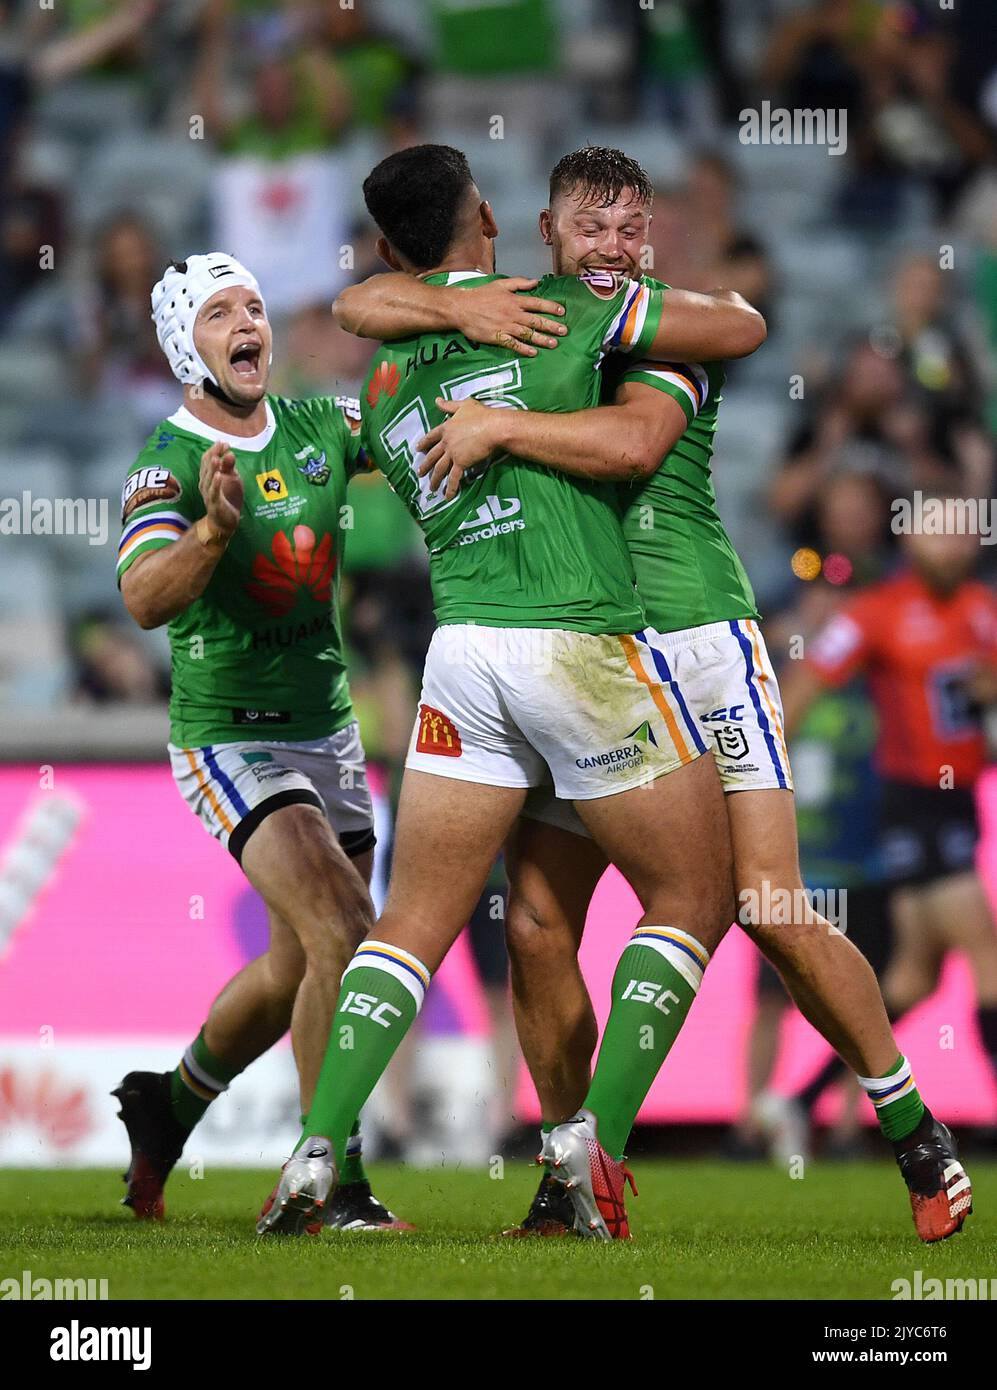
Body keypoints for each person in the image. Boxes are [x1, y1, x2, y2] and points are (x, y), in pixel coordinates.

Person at [382, 146, 973, 1243]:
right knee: (545, 924)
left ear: (645, 237)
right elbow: (367, 300)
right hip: (579, 653)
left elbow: (640, 438)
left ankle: (913, 1129)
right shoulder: (522, 325)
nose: (610, 248)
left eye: (627, 229)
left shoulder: (658, 329)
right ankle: (570, 1174)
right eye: (589, 229)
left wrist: (502, 419)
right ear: (546, 235)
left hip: (697, 639)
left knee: (772, 907)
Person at [257, 141, 766, 1237]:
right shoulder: (558, 309)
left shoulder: (387, 382)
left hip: (462, 654)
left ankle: (315, 1152)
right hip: (574, 642)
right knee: (694, 894)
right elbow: (737, 326)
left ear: (393, 250)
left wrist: (425, 310)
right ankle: (593, 1145)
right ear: (492, 214)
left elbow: (361, 312)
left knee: (416, 922)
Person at [113, 251, 408, 1232]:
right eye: (217, 314)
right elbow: (142, 597)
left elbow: (415, 427)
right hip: (230, 737)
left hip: (327, 731)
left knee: (298, 968)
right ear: (181, 346)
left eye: (253, 307)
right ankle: (335, 1183)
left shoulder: (323, 425)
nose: (247, 325)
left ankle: (173, 1103)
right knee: (342, 929)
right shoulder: (165, 464)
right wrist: (208, 532)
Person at [779, 512, 997, 1145]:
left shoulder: (983, 610)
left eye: (962, 530)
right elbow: (807, 683)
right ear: (907, 536)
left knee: (914, 976)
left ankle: (801, 1102)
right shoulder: (876, 612)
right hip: (913, 805)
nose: (951, 542)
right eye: (936, 529)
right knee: (984, 948)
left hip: (961, 804)